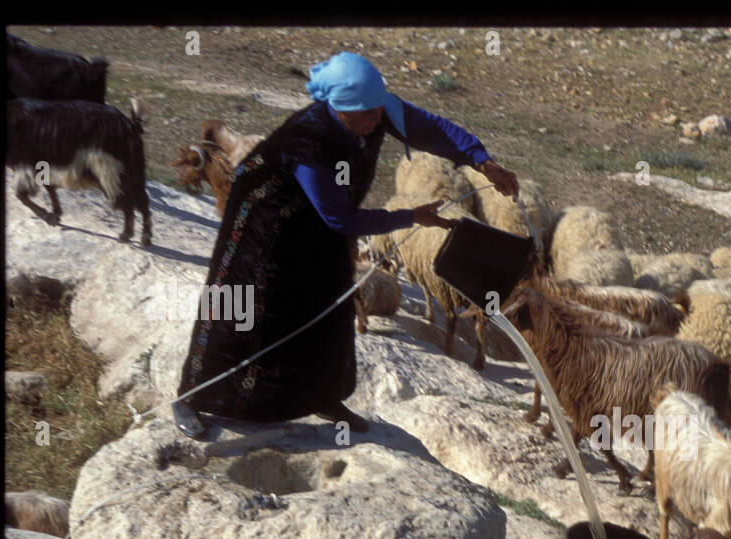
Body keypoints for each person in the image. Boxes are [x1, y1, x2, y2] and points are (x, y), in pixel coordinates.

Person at [172, 51, 518, 439]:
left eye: (377, 112)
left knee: (328, 298)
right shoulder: (308, 139)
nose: (375, 122)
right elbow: (341, 219)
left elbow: (430, 128)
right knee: (240, 306)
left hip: (321, 216)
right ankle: (192, 395)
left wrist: (482, 160)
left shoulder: (373, 108)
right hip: (262, 221)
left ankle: (320, 395)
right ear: (338, 107)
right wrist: (412, 217)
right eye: (364, 115)